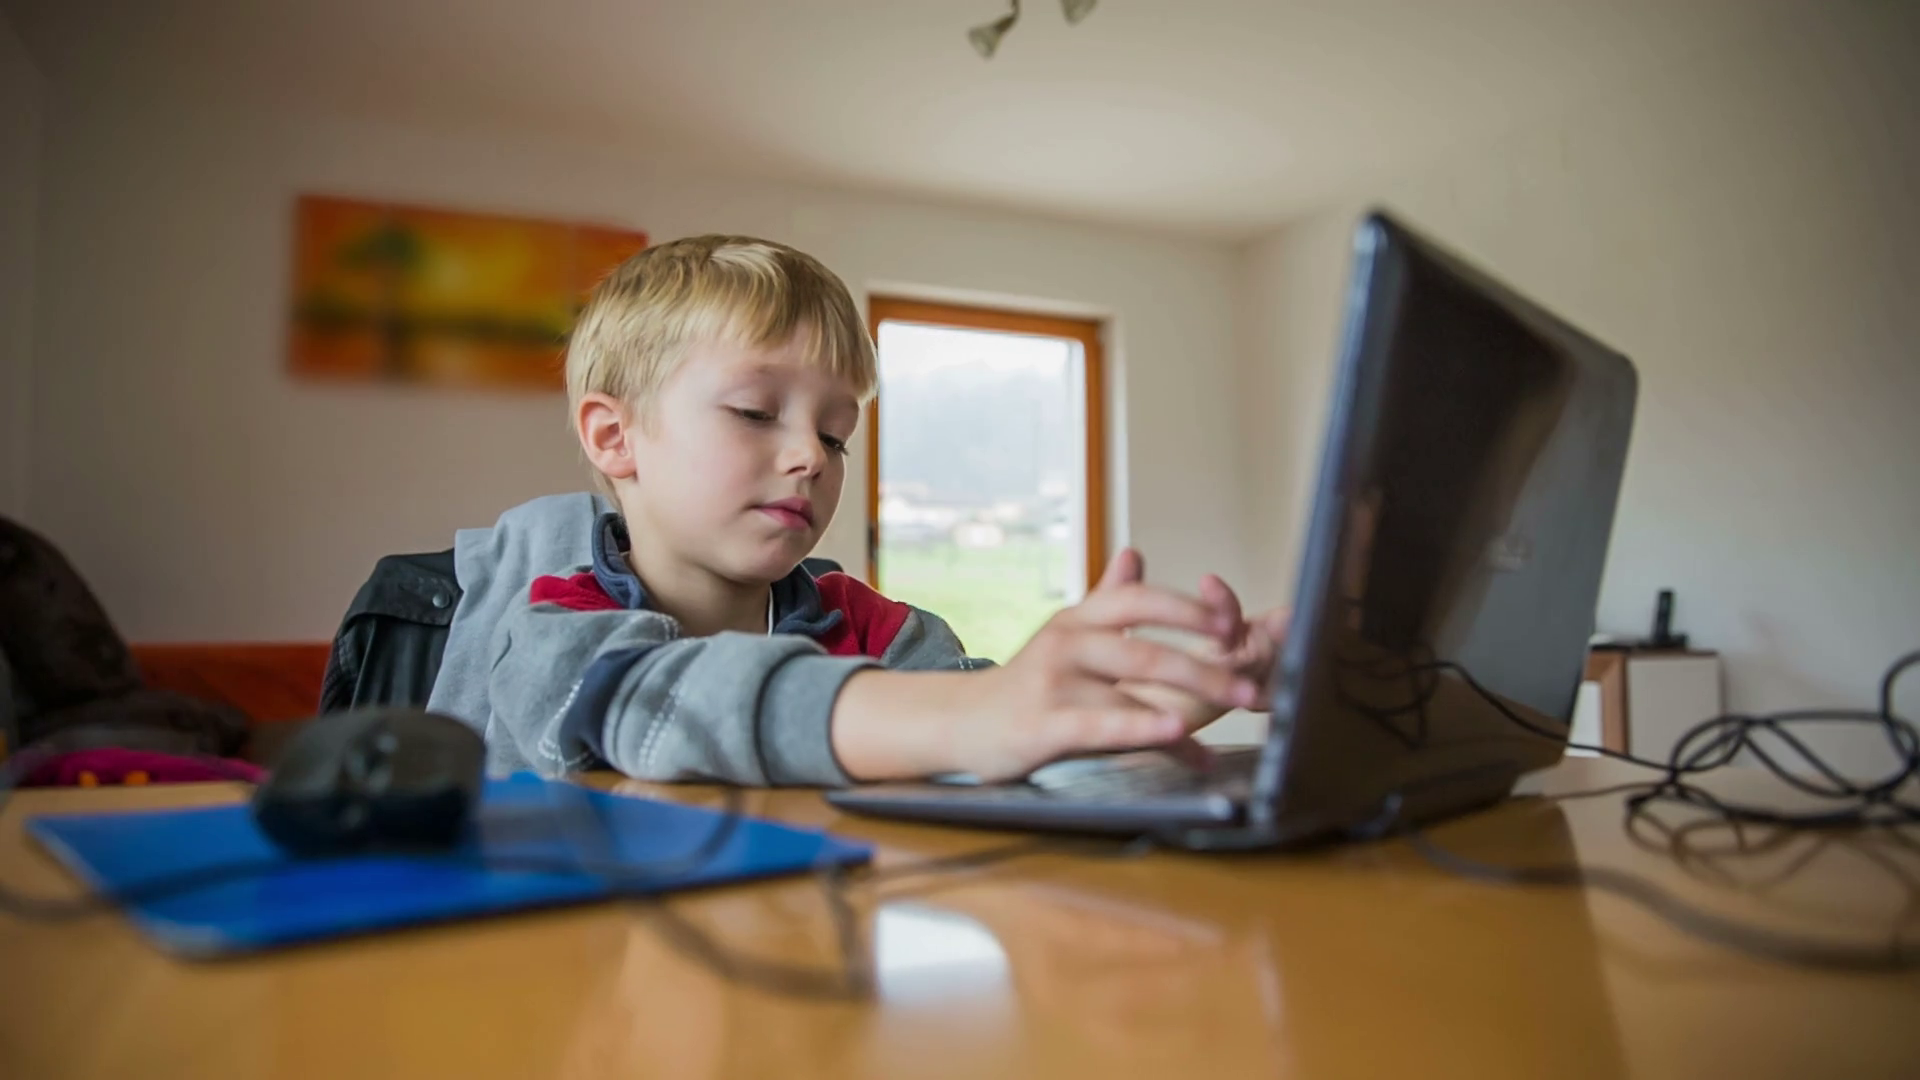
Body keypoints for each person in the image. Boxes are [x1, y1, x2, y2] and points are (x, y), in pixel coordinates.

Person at [477, 235, 1284, 785]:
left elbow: (1018, 741)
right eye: (755, 412)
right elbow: (661, 702)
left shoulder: (878, 632)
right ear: (615, 437)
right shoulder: (553, 630)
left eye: (837, 435)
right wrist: (973, 718)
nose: (811, 455)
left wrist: (1209, 684)